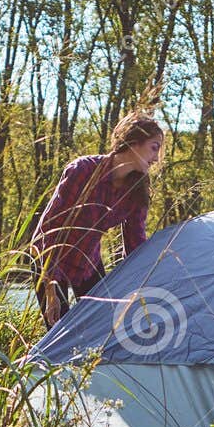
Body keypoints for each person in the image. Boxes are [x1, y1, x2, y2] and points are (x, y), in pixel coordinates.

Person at [30, 106, 165, 326]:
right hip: (49, 260)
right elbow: (49, 229)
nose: (156, 158)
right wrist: (51, 287)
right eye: (153, 148)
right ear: (134, 142)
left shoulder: (138, 188)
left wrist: (149, 282)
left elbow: (135, 243)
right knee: (58, 332)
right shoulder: (82, 171)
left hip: (87, 262)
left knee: (101, 325)